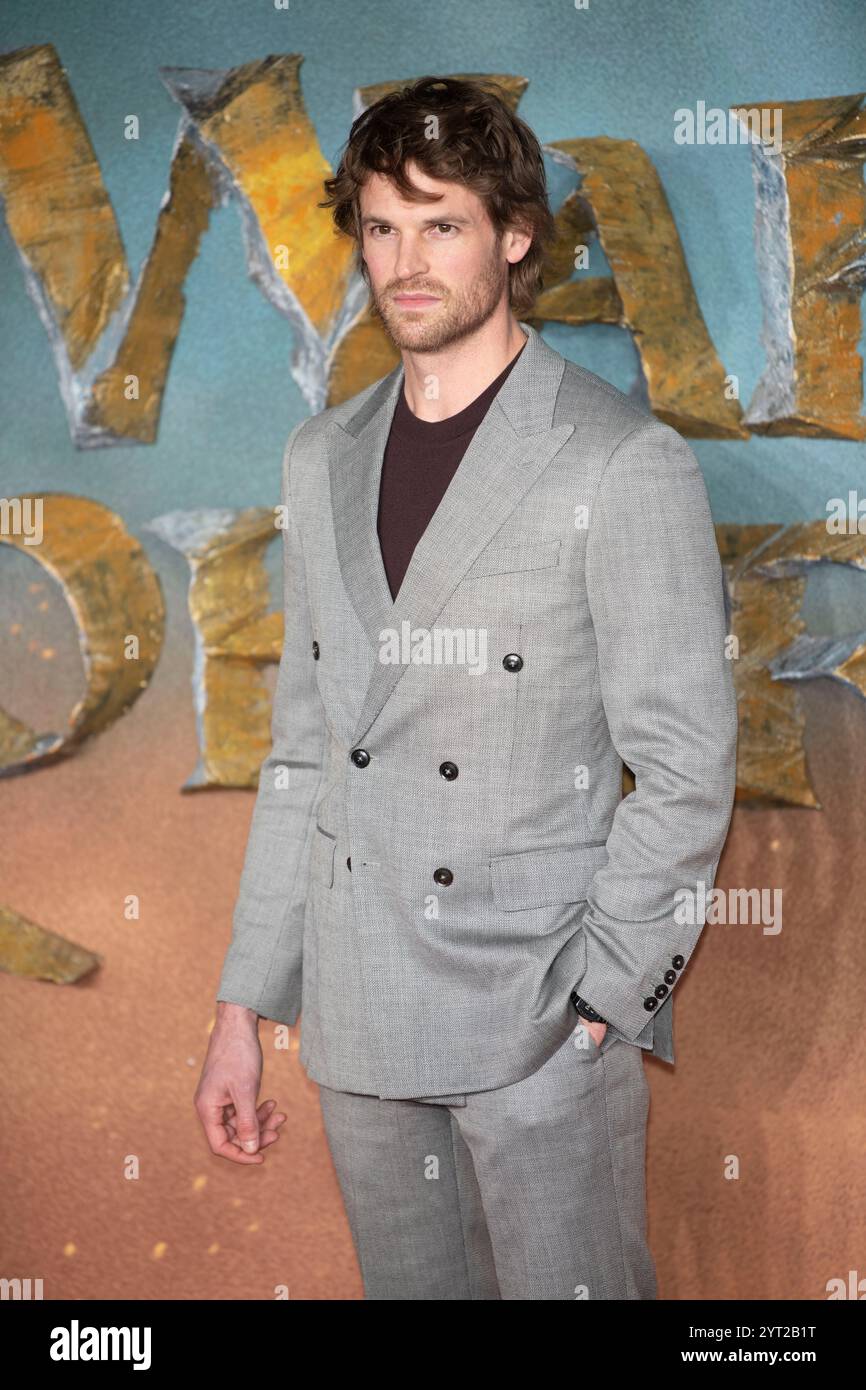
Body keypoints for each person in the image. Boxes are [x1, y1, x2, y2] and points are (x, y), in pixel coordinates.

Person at [194, 75, 738, 1300]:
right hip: (358, 1011)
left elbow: (691, 761)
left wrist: (603, 995)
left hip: (537, 1014)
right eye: (380, 227)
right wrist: (244, 1006)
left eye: (439, 222)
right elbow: (304, 754)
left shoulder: (619, 458)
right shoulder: (318, 454)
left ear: (513, 232)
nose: (405, 261)